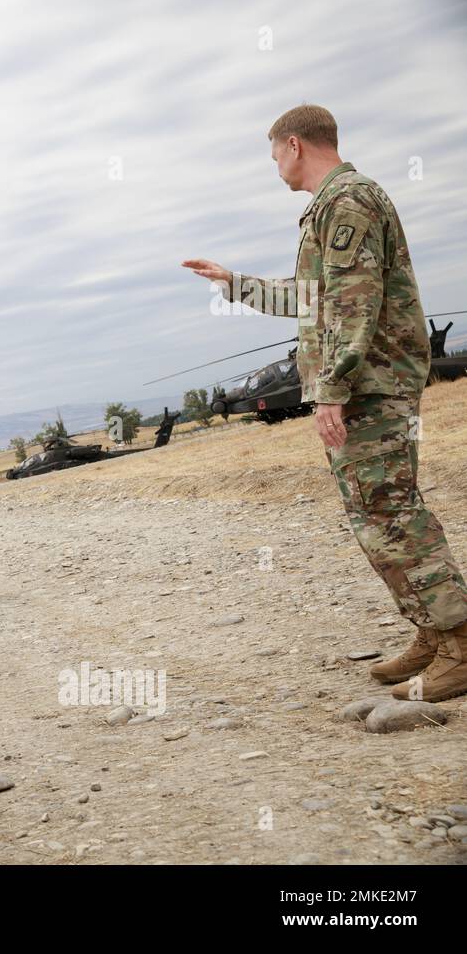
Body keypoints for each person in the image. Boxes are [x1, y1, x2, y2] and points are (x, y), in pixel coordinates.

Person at [184, 103, 467, 702]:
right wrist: (234, 283)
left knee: (392, 513)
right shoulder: (331, 208)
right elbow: (314, 297)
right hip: (366, 386)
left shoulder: (348, 202)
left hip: (372, 387)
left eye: (273, 156)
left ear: (294, 144)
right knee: (374, 516)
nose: (275, 168)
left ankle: (460, 642)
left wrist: (332, 391)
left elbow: (353, 305)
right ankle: (433, 633)